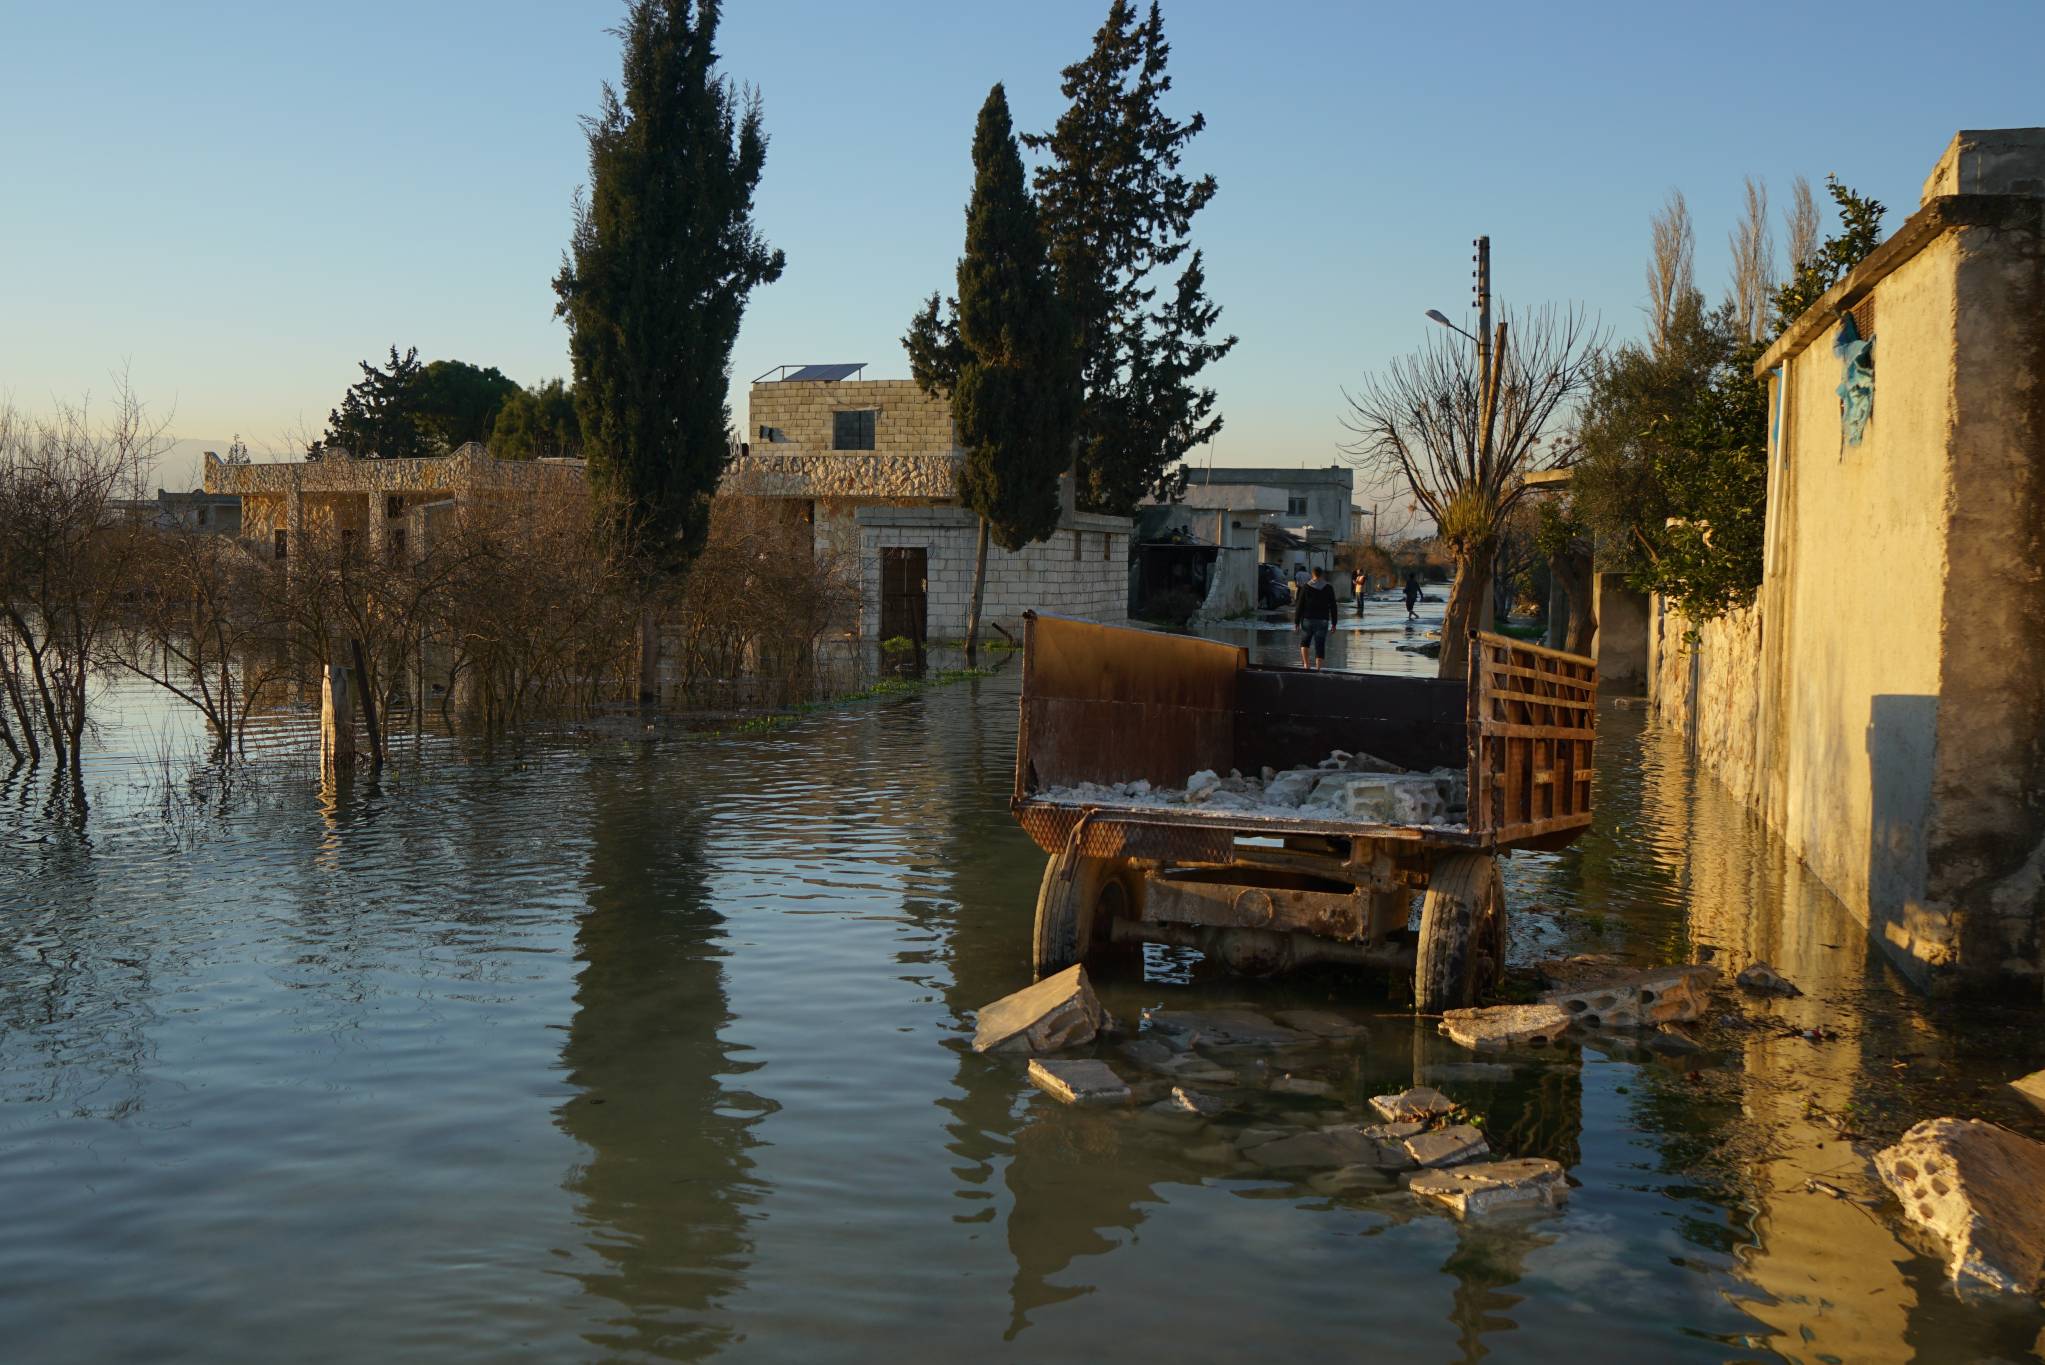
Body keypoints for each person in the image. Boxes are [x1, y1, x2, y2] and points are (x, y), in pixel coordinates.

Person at [1295, 564, 1337, 670]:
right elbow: (1333, 606)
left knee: (1304, 642)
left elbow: (1300, 605)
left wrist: (1296, 622)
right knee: (1320, 644)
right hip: (1322, 620)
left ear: (1312, 575)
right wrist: (1334, 623)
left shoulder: (1306, 587)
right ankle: (1318, 669)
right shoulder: (1328, 587)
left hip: (1307, 619)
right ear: (1321, 575)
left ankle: (1306, 665)